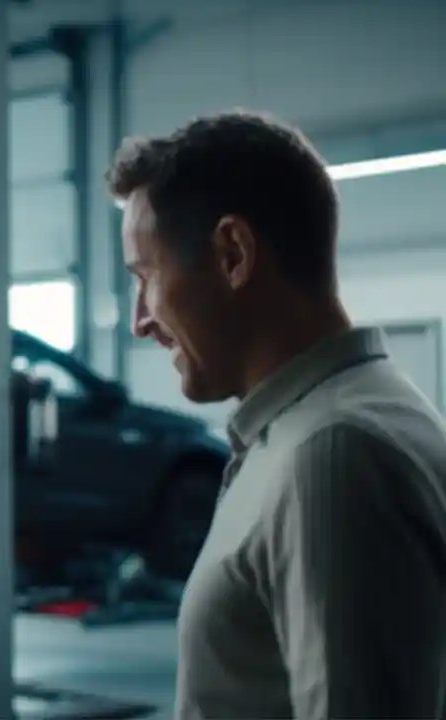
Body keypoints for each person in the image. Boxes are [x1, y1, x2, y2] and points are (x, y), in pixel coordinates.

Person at [107, 110, 446, 719]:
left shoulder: (333, 453)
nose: (141, 320)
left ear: (233, 254)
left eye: (146, 276)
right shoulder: (341, 420)